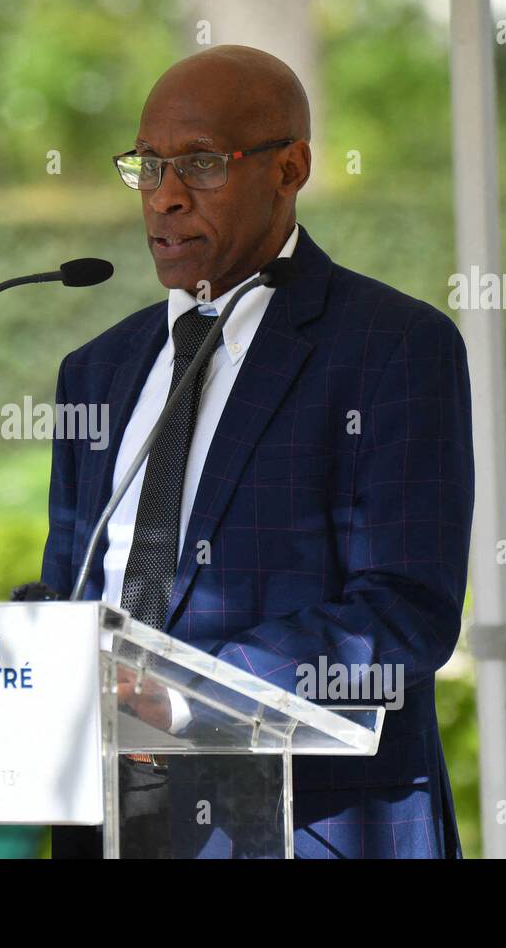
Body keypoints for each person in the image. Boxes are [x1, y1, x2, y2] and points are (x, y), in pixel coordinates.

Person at [39, 45, 473, 858]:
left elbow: (407, 612)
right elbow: (70, 583)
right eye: (148, 165)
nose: (165, 198)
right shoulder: (94, 371)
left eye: (201, 164)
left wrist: (181, 694)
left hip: (311, 827)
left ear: (291, 167)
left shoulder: (394, 347)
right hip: (108, 821)